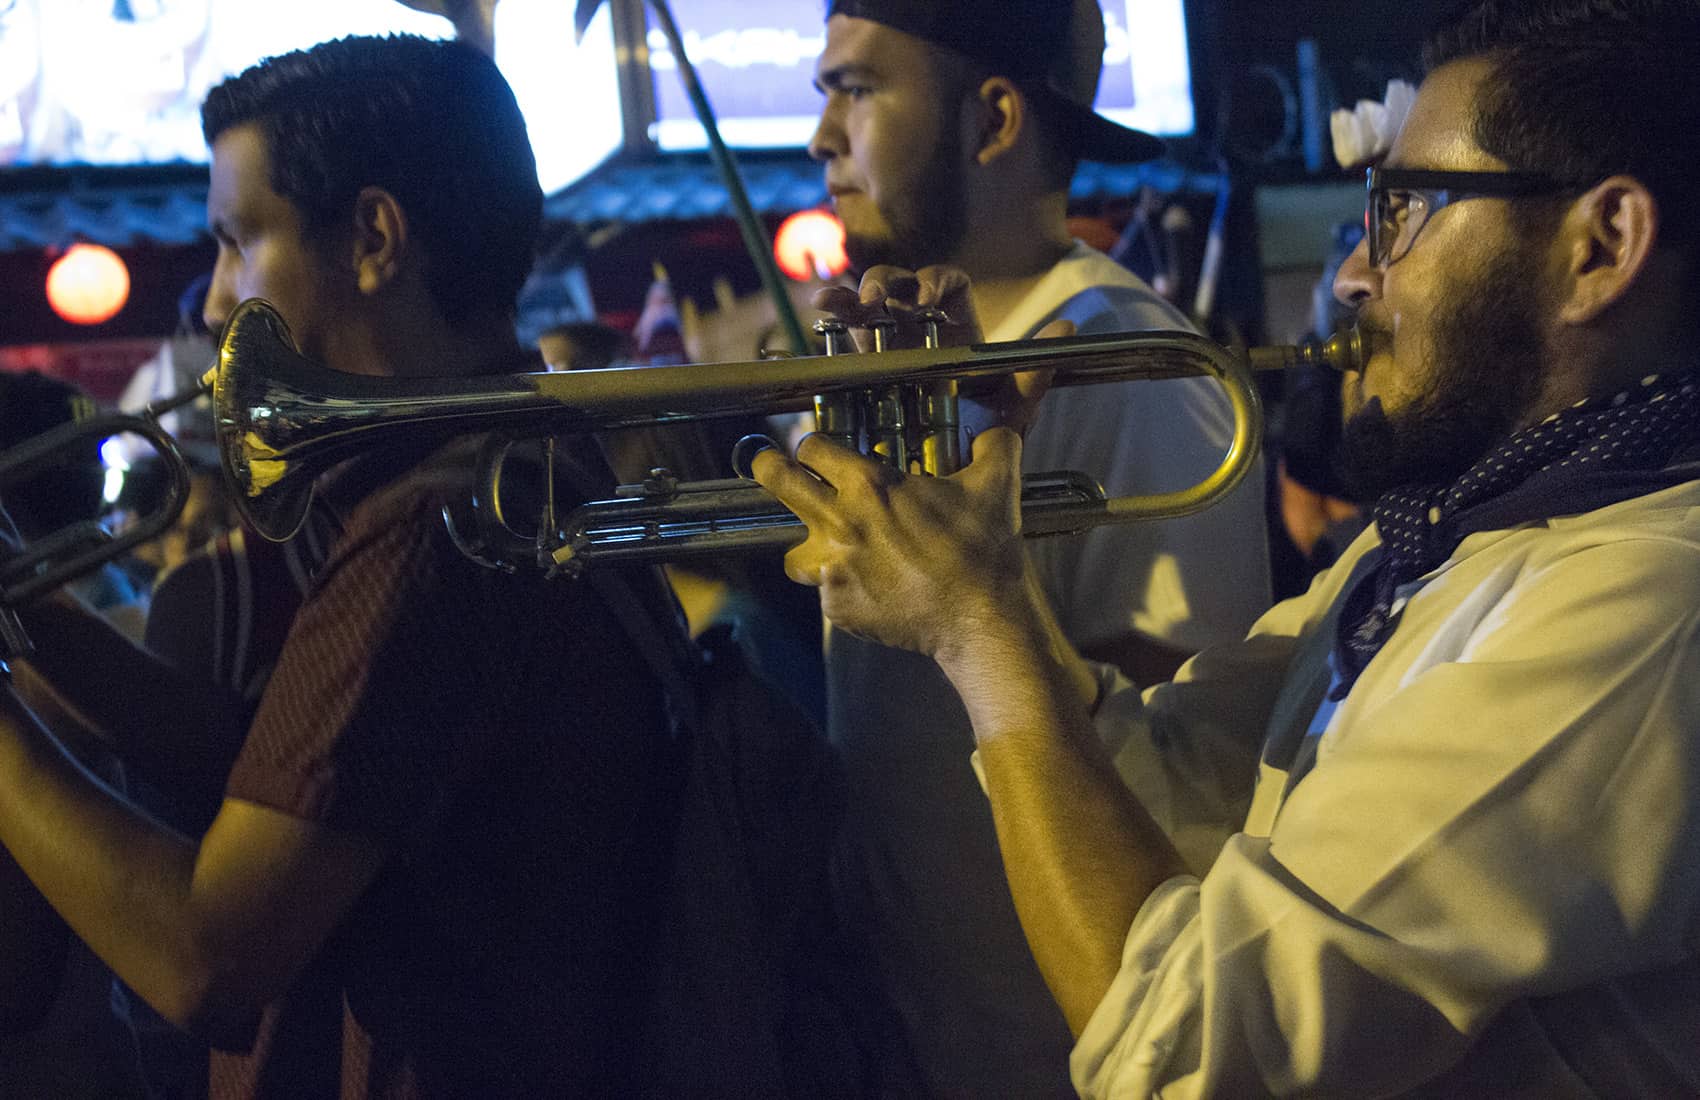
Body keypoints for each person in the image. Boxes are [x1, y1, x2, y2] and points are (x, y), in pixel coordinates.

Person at [755, 0, 1700, 1093]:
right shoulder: (1435, 548)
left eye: (1400, 210)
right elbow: (1182, 787)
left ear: (1601, 246)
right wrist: (977, 566)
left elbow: (1186, 1048)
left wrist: (979, 625)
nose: (1352, 275)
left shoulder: (1641, 604)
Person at [0, 35, 686, 1098]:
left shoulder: (443, 524)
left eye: (239, 241)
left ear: (373, 237)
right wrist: (24, 605)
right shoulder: (518, 466)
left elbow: (205, 960)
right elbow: (265, 765)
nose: (217, 300)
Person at [801, 0, 1271, 1092]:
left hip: (1062, 1049)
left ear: (994, 118)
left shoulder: (1126, 363)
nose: (821, 134)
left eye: (858, 89)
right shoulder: (912, 358)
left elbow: (1178, 744)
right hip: (929, 1031)